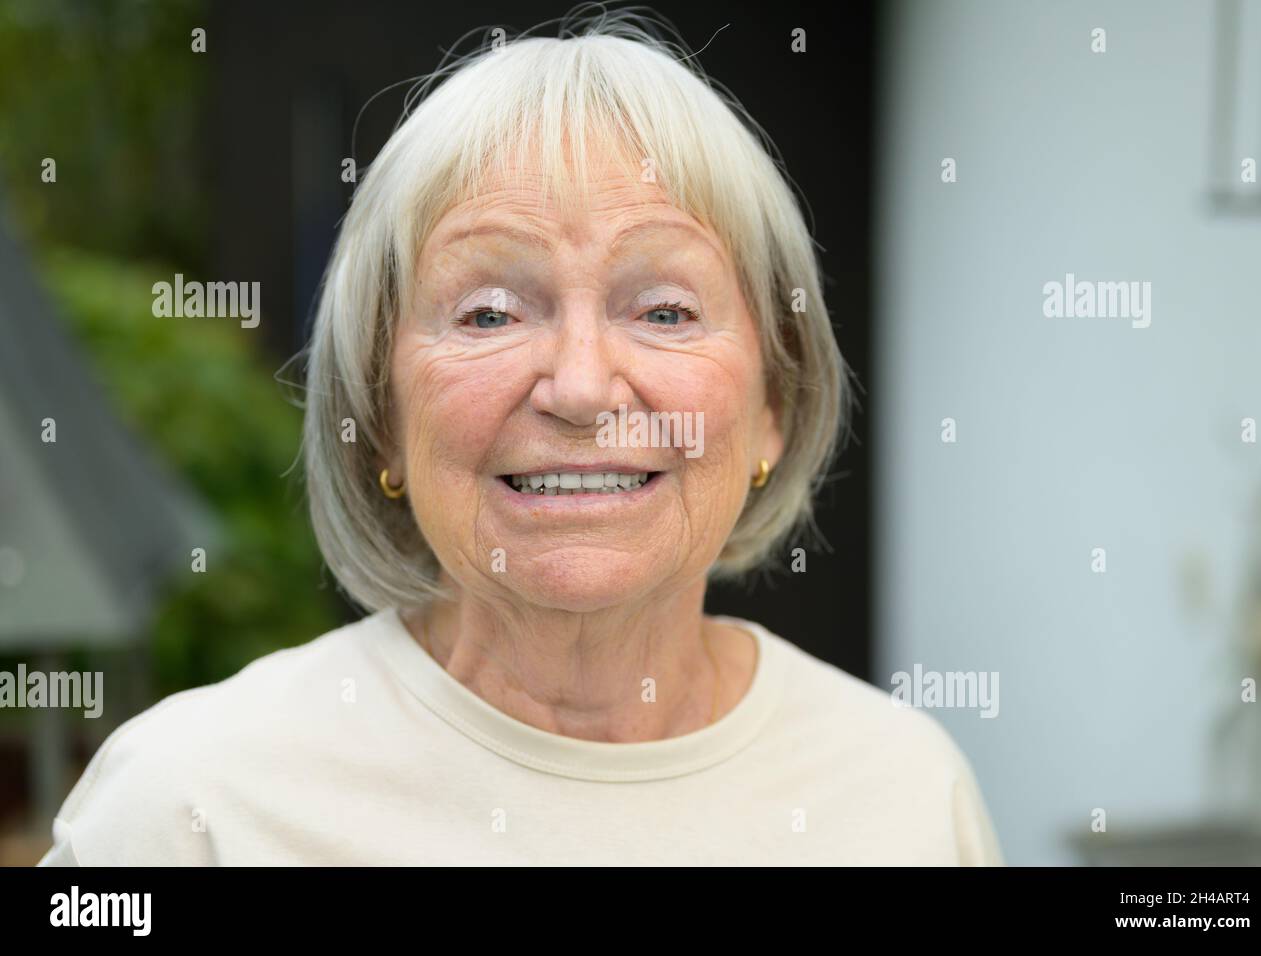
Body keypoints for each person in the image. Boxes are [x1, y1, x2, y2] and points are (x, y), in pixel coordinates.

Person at [39, 11, 1002, 866]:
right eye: (491, 312)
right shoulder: (188, 810)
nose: (580, 388)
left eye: (664, 310)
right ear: (380, 414)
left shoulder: (906, 795)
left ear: (773, 406)